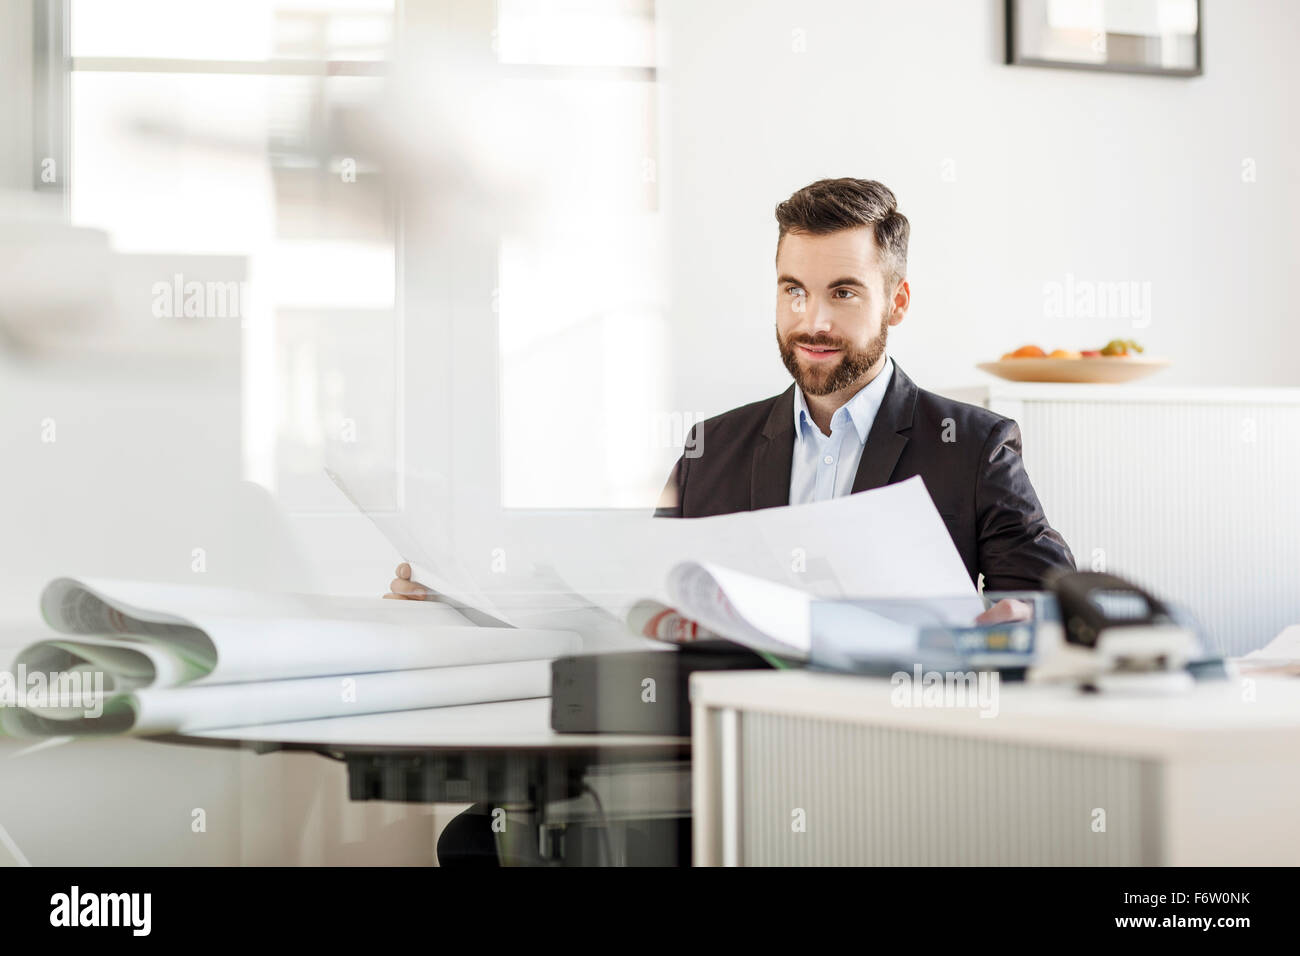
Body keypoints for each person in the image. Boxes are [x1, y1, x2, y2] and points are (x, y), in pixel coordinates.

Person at [388, 177, 1077, 864]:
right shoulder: (710, 448)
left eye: (844, 292)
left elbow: (1050, 607)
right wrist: (469, 590)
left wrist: (1000, 621)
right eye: (792, 290)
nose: (813, 322)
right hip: (717, 756)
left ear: (895, 301)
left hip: (883, 760)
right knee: (478, 841)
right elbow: (634, 601)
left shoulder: (972, 444)